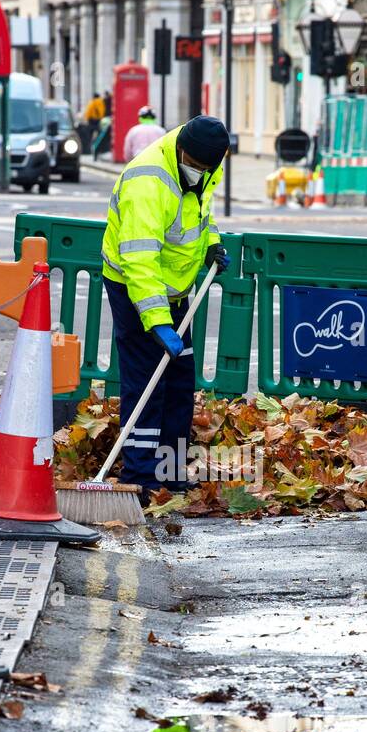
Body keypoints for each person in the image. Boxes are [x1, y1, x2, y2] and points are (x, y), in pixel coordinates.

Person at [101, 114, 231, 495]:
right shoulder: (147, 181)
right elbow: (138, 259)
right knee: (146, 384)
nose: (200, 173)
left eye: (207, 168)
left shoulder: (206, 168)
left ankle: (170, 470)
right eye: (195, 165)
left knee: (177, 380)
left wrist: (212, 245)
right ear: (182, 151)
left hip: (176, 293)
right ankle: (140, 478)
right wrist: (157, 322)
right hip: (134, 290)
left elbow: (199, 214)